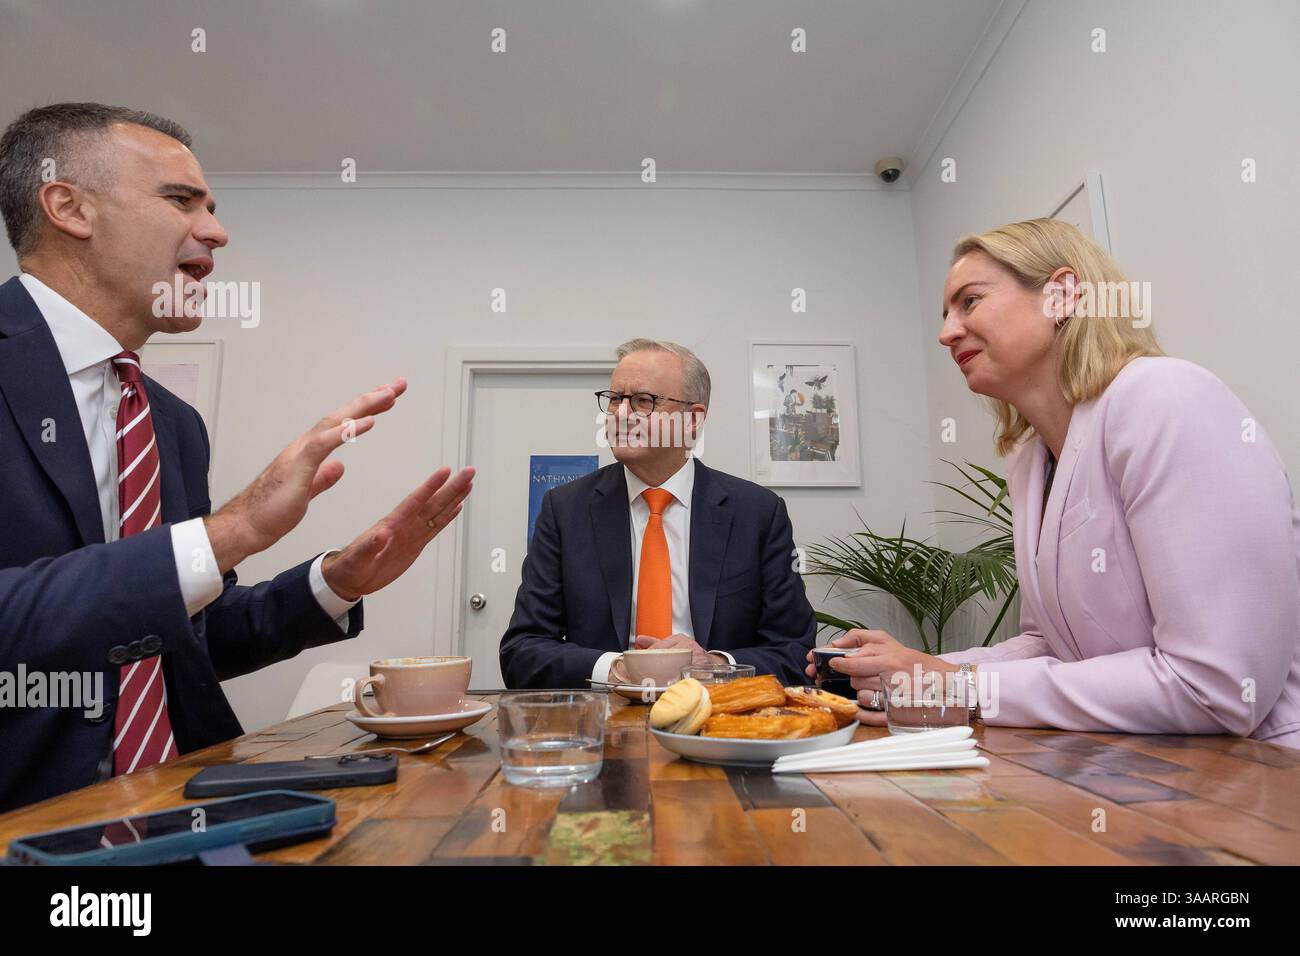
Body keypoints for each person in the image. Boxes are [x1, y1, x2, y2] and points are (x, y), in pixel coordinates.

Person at [0, 103, 474, 811]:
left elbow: (184, 636)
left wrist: (336, 582)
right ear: (69, 207)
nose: (217, 232)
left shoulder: (173, 423)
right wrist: (233, 530)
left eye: (212, 207)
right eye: (181, 200)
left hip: (186, 811)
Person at [815, 218, 1300, 749]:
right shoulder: (1030, 457)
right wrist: (913, 672)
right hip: (1137, 773)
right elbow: (1052, 644)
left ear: (1061, 295)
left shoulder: (1166, 398)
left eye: (969, 302)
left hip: (1263, 779)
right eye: (946, 313)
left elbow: (1220, 687)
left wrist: (960, 686)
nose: (946, 332)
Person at [500, 338, 816, 688]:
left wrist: (715, 665)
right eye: (615, 399)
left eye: (643, 401)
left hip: (720, 719)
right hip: (604, 721)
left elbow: (795, 651)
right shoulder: (565, 509)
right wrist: (618, 669)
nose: (620, 415)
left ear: (692, 420)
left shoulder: (757, 513)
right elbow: (521, 652)